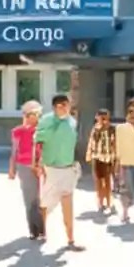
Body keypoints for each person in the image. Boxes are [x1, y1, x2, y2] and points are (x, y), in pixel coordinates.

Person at [35, 94, 84, 251]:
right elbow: (37, 141)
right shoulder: (46, 120)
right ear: (55, 107)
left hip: (68, 168)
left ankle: (71, 240)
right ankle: (42, 231)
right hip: (51, 168)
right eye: (60, 105)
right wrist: (37, 163)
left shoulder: (72, 122)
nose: (64, 108)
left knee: (68, 203)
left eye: (66, 104)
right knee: (45, 204)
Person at [9, 101, 44, 241]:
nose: (32, 117)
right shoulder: (18, 131)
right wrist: (12, 168)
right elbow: (14, 151)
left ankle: (42, 228)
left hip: (42, 166)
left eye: (35, 114)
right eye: (28, 114)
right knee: (30, 199)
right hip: (24, 166)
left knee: (41, 199)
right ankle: (33, 230)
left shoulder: (43, 130)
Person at [85, 109, 117, 214]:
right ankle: (100, 202)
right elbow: (91, 142)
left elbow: (115, 144)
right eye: (100, 117)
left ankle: (108, 203)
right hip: (97, 158)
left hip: (108, 159)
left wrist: (116, 158)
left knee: (107, 182)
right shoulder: (95, 129)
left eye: (105, 117)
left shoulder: (112, 129)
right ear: (97, 118)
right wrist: (89, 156)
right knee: (98, 182)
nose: (103, 119)